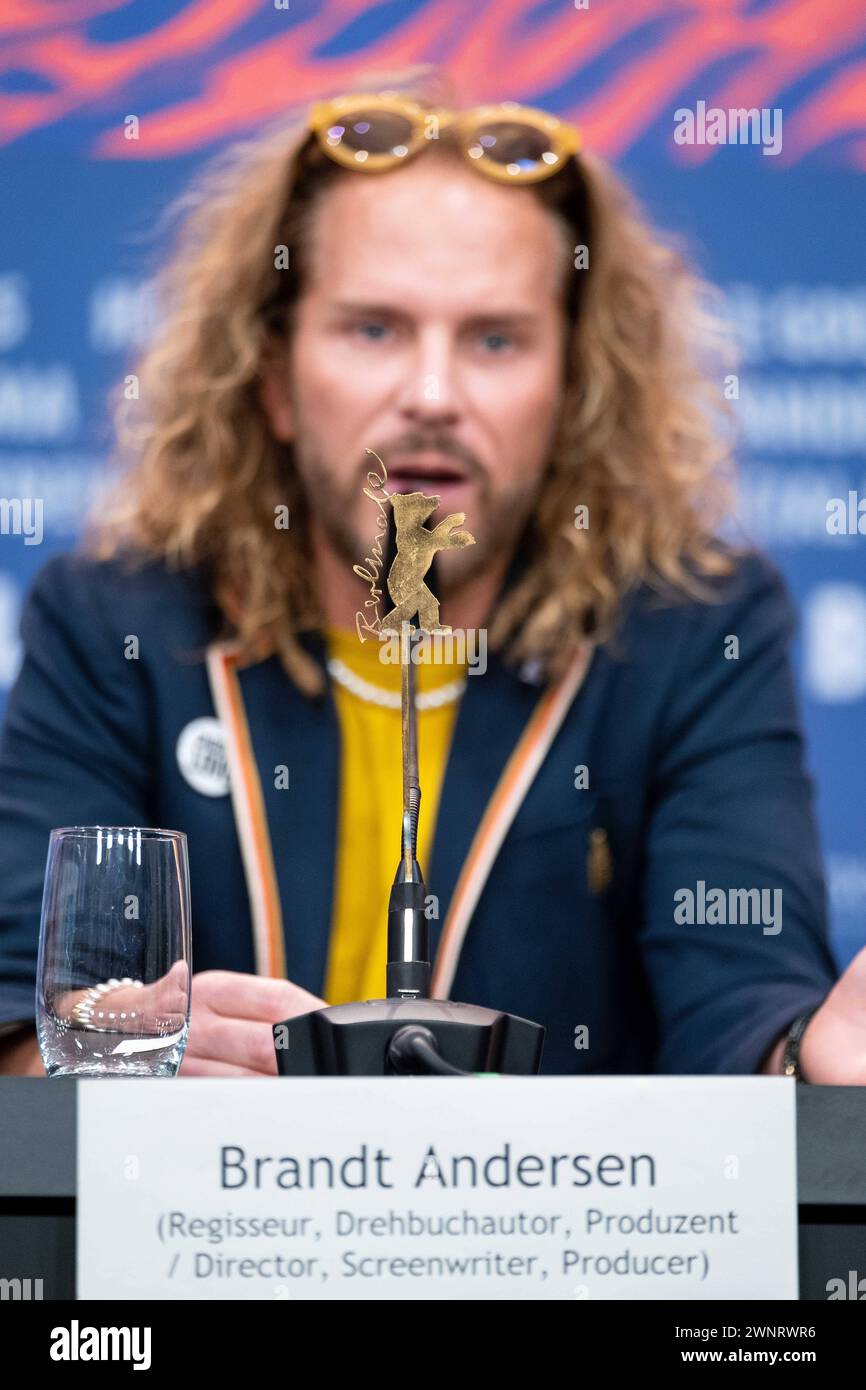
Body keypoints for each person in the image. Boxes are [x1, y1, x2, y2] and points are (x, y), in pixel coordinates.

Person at [0, 71, 861, 1080]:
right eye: (374, 329)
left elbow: (740, 1002)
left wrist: (812, 1064)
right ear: (273, 378)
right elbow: (24, 1009)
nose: (431, 393)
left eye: (494, 339)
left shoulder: (686, 631)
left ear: (571, 391)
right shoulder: (119, 621)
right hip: (197, 1228)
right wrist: (103, 1056)